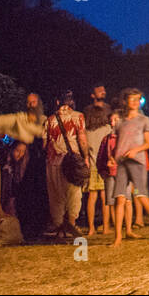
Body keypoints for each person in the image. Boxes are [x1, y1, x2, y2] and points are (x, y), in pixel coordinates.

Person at [111, 89, 149, 245]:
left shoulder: (144, 120)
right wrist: (112, 158)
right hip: (121, 162)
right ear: (125, 101)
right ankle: (118, 237)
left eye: (137, 99)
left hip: (137, 162)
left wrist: (135, 150)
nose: (134, 102)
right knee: (119, 198)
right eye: (131, 99)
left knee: (141, 195)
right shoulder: (120, 121)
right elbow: (115, 141)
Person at [42, 93, 88, 239]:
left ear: (57, 102)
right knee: (73, 192)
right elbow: (82, 139)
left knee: (56, 194)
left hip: (53, 160)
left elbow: (44, 144)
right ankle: (72, 223)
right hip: (71, 160)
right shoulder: (78, 116)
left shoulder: (49, 120)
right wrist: (85, 157)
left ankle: (59, 225)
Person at [82, 102, 112, 235]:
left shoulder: (86, 132)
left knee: (91, 197)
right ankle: (105, 227)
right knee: (105, 197)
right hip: (104, 166)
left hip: (92, 166)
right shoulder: (107, 129)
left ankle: (91, 228)